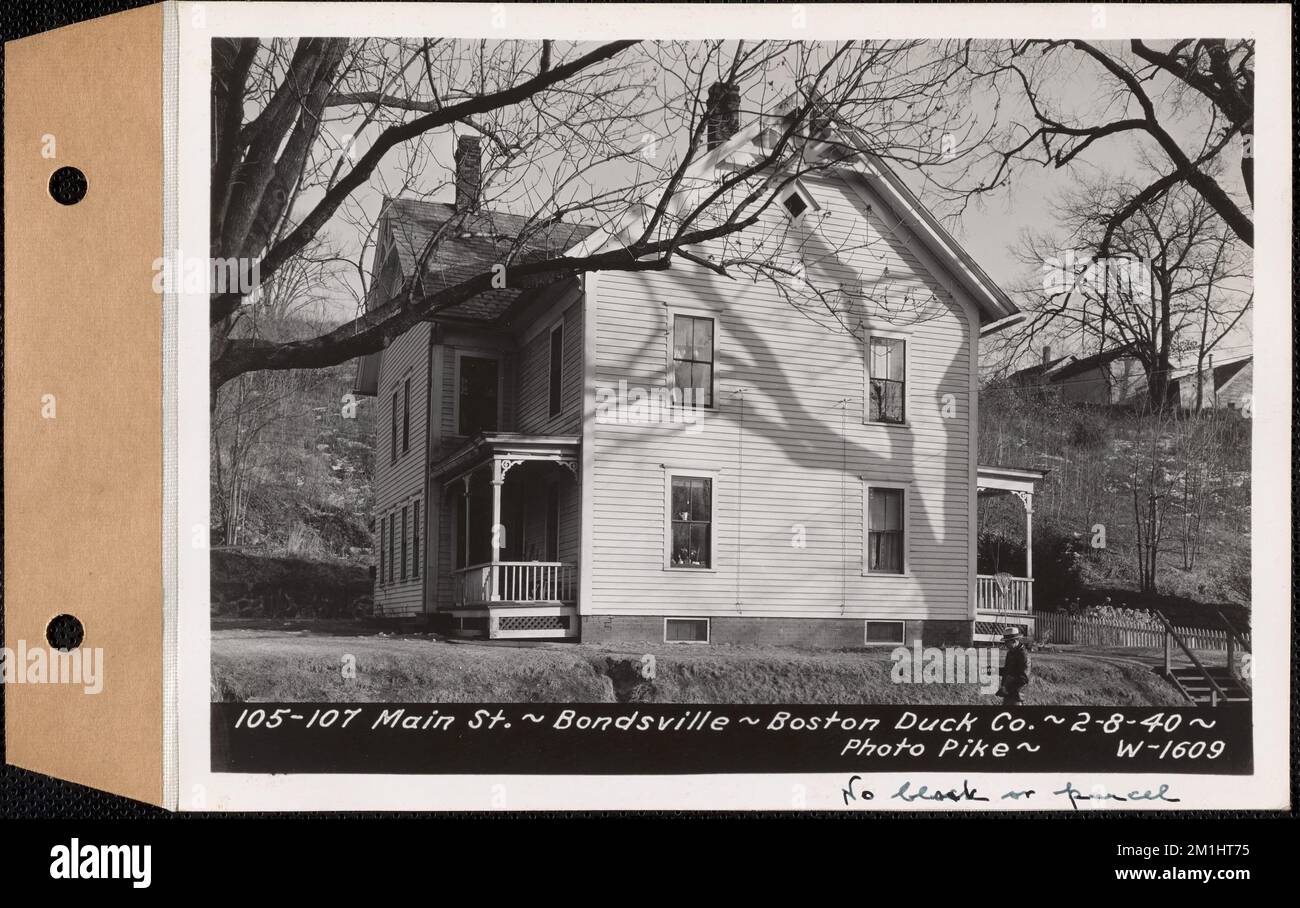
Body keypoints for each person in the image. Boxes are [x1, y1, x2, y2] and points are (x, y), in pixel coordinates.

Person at [996, 627, 1031, 706]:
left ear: (1014, 641)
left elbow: (1024, 679)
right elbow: (1007, 671)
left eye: (1007, 642)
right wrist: (994, 670)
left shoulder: (1024, 656)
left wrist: (1007, 688)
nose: (1005, 645)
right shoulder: (1011, 653)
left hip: (1017, 696)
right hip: (1008, 694)